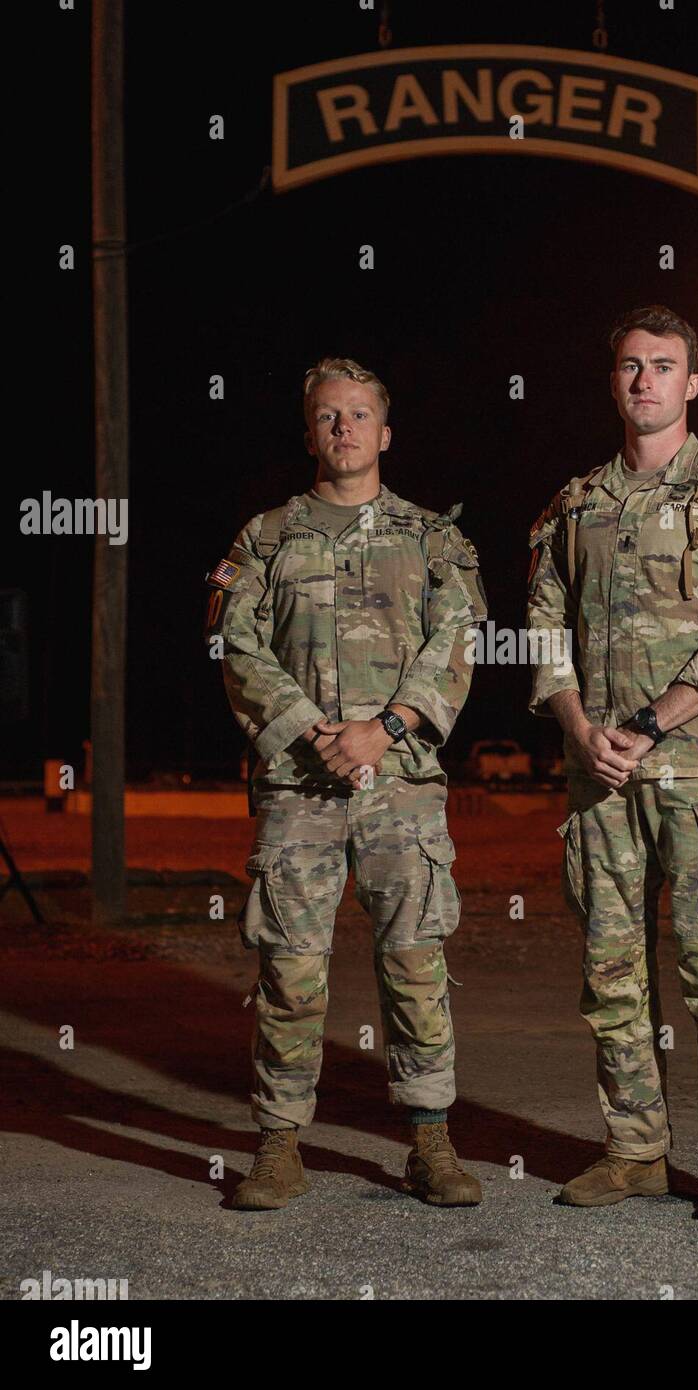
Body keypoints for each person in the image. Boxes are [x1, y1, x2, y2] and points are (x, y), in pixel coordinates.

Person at [526, 305, 698, 1220]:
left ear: (693, 383)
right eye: (632, 365)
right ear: (614, 381)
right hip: (598, 777)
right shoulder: (574, 507)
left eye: (664, 365)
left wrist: (648, 722)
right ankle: (634, 1149)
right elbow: (543, 631)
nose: (646, 380)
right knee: (610, 971)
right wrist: (575, 723)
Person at [206, 357, 487, 1209]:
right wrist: (306, 730)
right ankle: (279, 1145)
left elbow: (458, 641)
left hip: (402, 787)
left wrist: (386, 726)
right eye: (328, 416)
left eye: (358, 415)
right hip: (298, 789)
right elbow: (237, 647)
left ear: (384, 432)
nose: (344, 429)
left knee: (414, 965)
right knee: (289, 971)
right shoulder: (265, 538)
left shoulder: (434, 538)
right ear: (309, 433)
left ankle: (430, 1140)